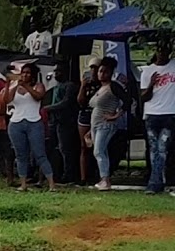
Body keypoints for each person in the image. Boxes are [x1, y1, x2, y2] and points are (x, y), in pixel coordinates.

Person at [3, 65, 57, 191]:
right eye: (23, 72)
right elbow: (6, 100)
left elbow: (38, 96)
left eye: (28, 73)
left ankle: (51, 184)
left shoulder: (38, 86)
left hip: (34, 122)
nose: (25, 75)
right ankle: (23, 184)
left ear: (32, 75)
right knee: (21, 155)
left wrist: (26, 86)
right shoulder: (15, 87)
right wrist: (9, 84)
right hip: (16, 122)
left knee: (40, 154)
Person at [85, 57, 127, 191]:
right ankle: (104, 177)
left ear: (110, 73)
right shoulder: (100, 88)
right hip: (96, 124)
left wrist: (115, 115)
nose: (101, 74)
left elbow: (127, 100)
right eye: (100, 71)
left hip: (105, 124)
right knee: (99, 151)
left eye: (105, 72)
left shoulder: (113, 86)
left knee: (99, 151)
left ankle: (105, 179)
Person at [141, 42, 175, 195]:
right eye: (159, 51)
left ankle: (154, 184)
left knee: (162, 148)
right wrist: (151, 84)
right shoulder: (148, 71)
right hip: (152, 114)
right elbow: (144, 97)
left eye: (165, 51)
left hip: (169, 113)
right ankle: (158, 180)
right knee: (154, 149)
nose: (162, 54)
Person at [47, 62, 81, 186]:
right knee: (54, 148)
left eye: (59, 71)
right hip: (55, 121)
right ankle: (57, 172)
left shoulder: (70, 86)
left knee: (66, 149)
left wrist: (48, 108)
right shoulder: (56, 87)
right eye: (55, 71)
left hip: (66, 121)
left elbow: (65, 103)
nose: (56, 74)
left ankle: (69, 174)